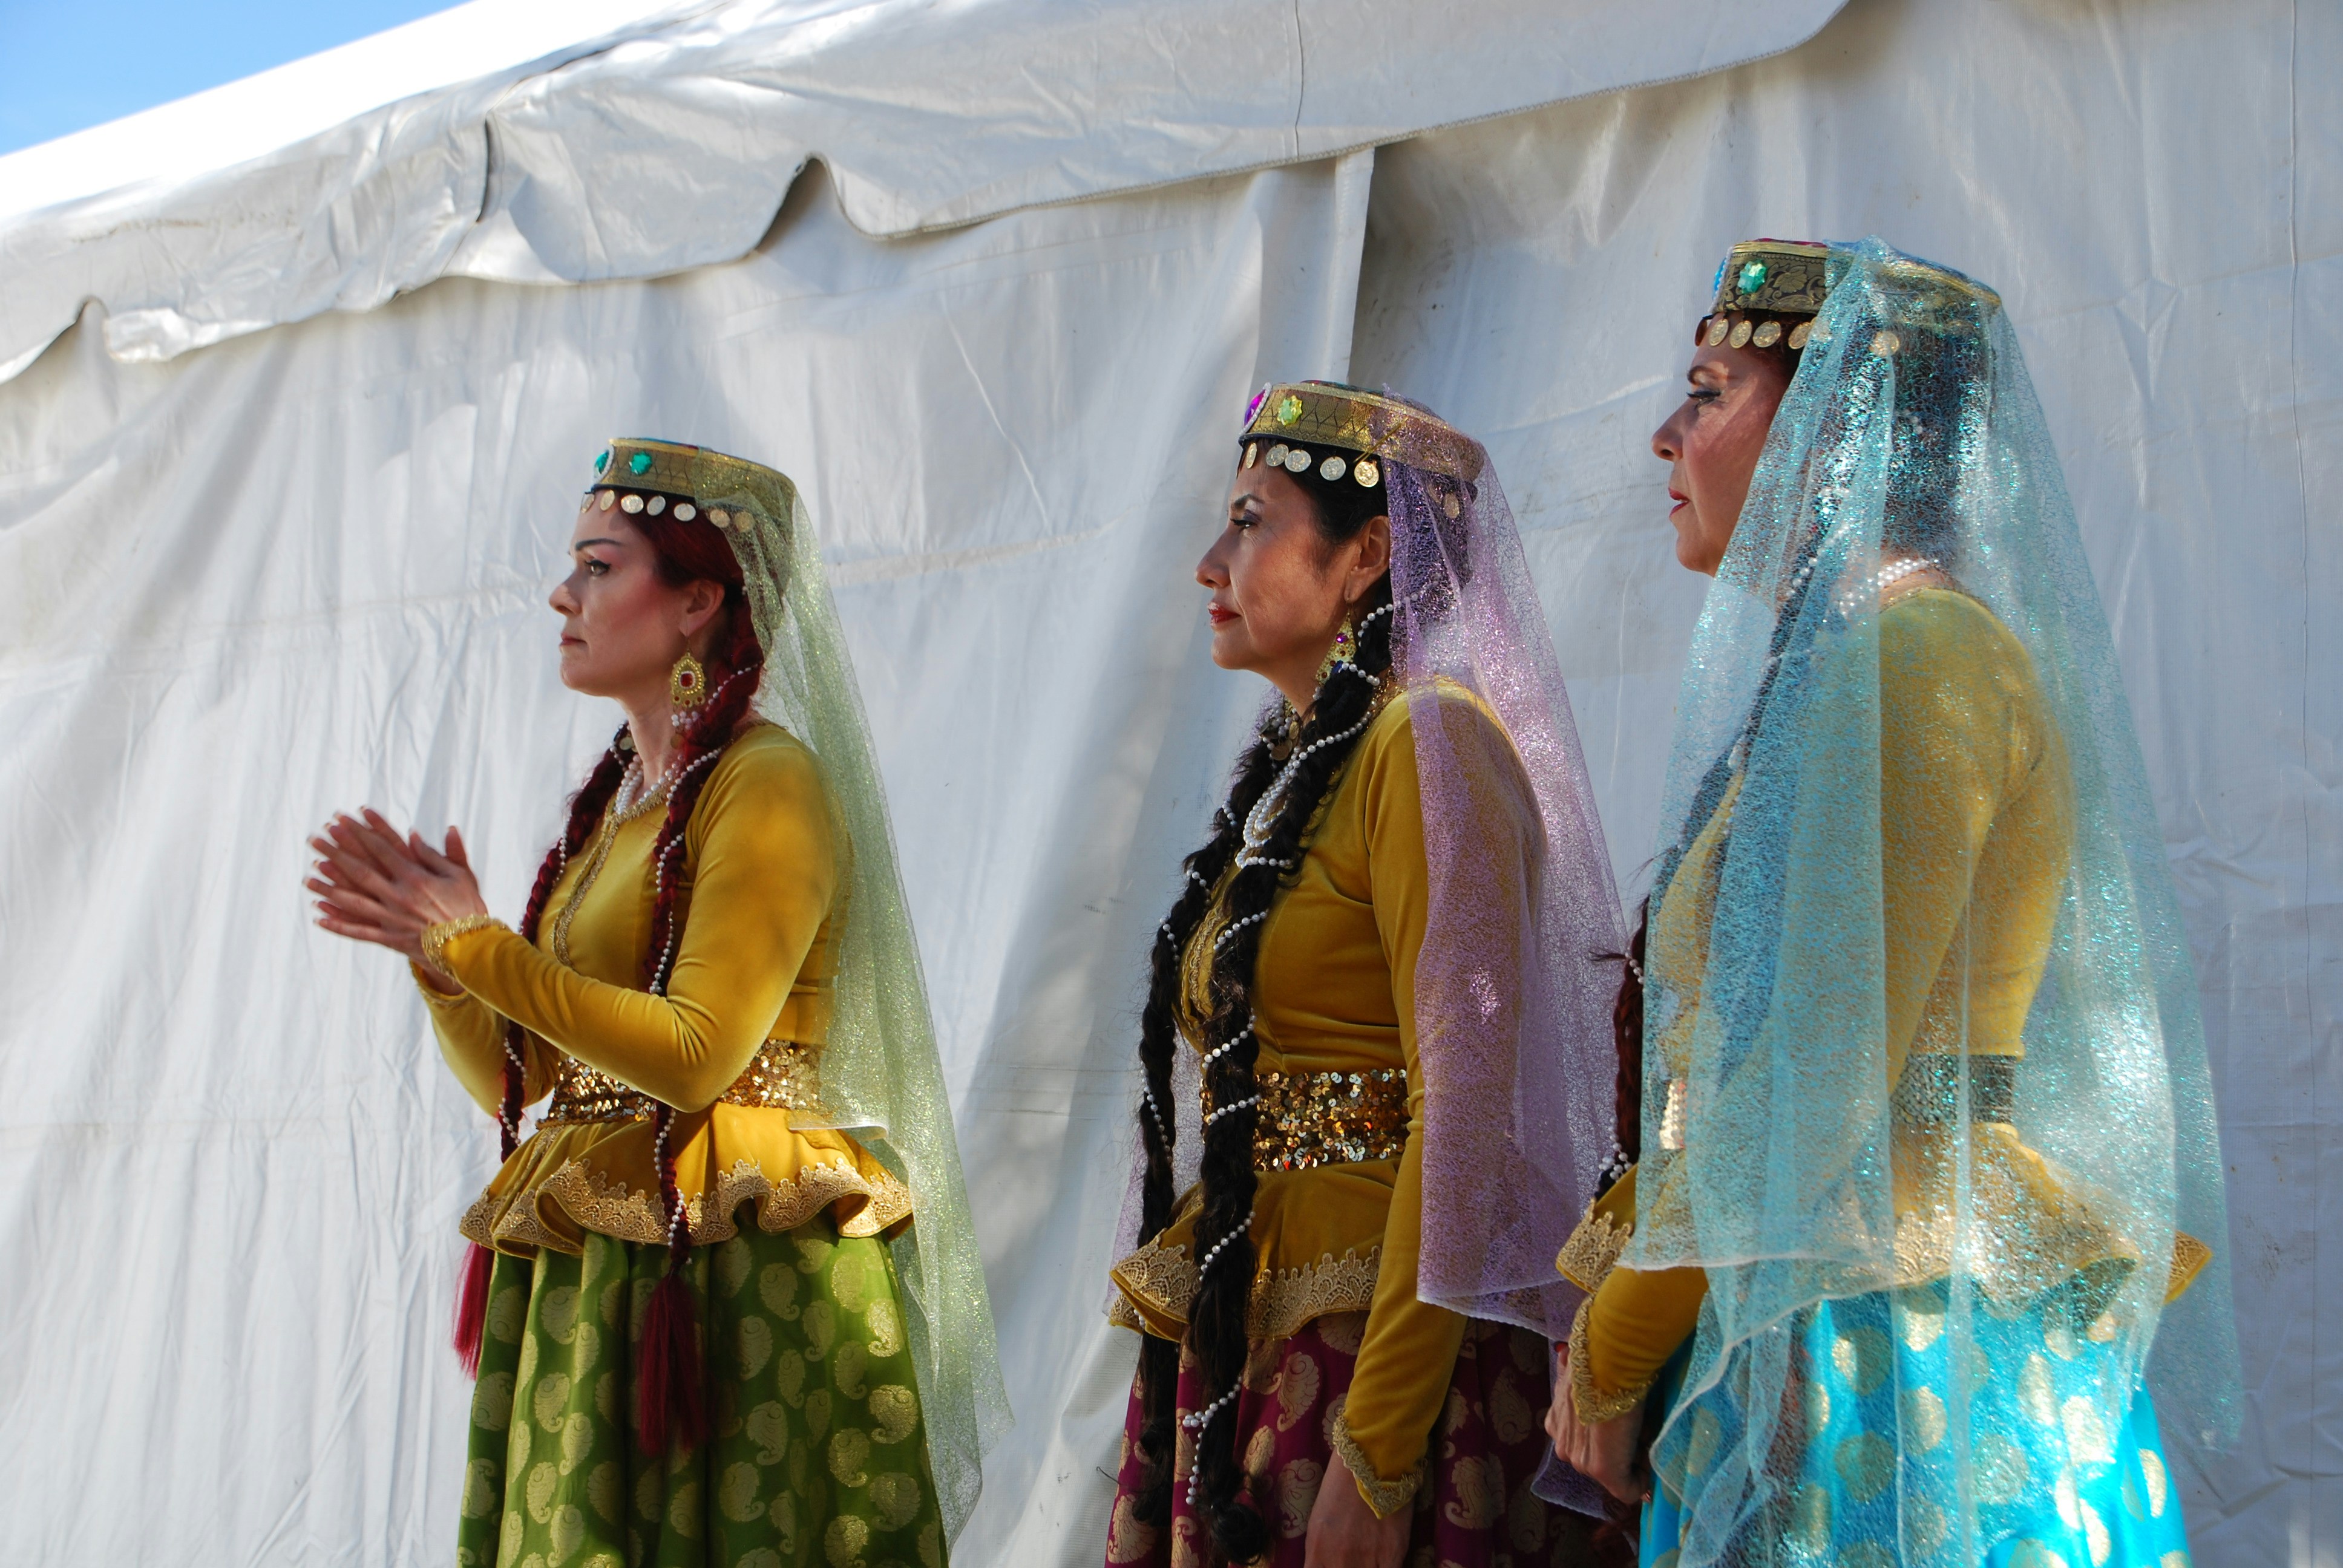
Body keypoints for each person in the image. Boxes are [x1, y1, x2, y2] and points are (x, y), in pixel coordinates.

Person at [1544, 241, 2240, 1567]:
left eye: (1706, 392)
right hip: (1827, 1310)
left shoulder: (1916, 657)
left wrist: (1620, 1337)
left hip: (1896, 1354)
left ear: (1833, 418)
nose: (1662, 435)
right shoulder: (1842, 668)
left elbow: (1816, 1076)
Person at [307, 438, 1007, 1567]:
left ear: (696, 603)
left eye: (596, 565)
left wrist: (480, 947)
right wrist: (443, 971)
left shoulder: (765, 781)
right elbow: (526, 1083)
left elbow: (694, 1056)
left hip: (730, 1268)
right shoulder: (620, 809)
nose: (561, 593)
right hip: (608, 1270)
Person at [1102, 383, 1624, 1568]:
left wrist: (1382, 1450)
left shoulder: (1428, 741)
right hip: (1269, 1311)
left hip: (1381, 1353)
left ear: (1368, 557)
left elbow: (1465, 1108)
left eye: (1247, 521)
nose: (1205, 564)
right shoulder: (1305, 766)